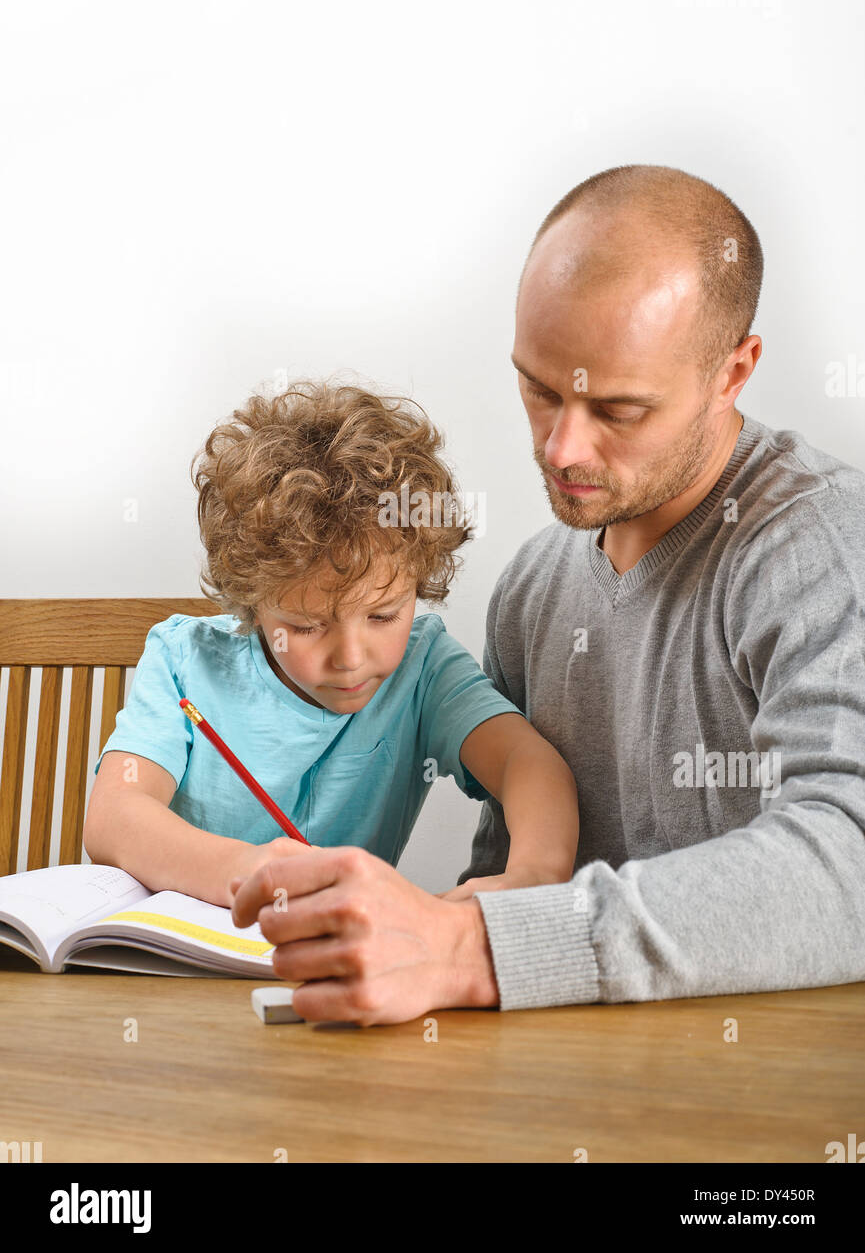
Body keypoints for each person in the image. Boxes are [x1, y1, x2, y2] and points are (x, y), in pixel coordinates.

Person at [230, 163, 865, 1024]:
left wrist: (474, 947)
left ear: (732, 371)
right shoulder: (532, 588)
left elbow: (846, 864)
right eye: (538, 389)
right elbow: (504, 887)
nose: (562, 449)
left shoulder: (819, 544)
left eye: (619, 410)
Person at [83, 382, 579, 905]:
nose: (350, 657)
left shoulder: (425, 667)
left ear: (419, 584)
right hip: (178, 965)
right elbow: (115, 816)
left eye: (384, 615)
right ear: (252, 600)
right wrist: (253, 869)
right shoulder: (185, 662)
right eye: (305, 626)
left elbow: (527, 764)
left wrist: (534, 873)